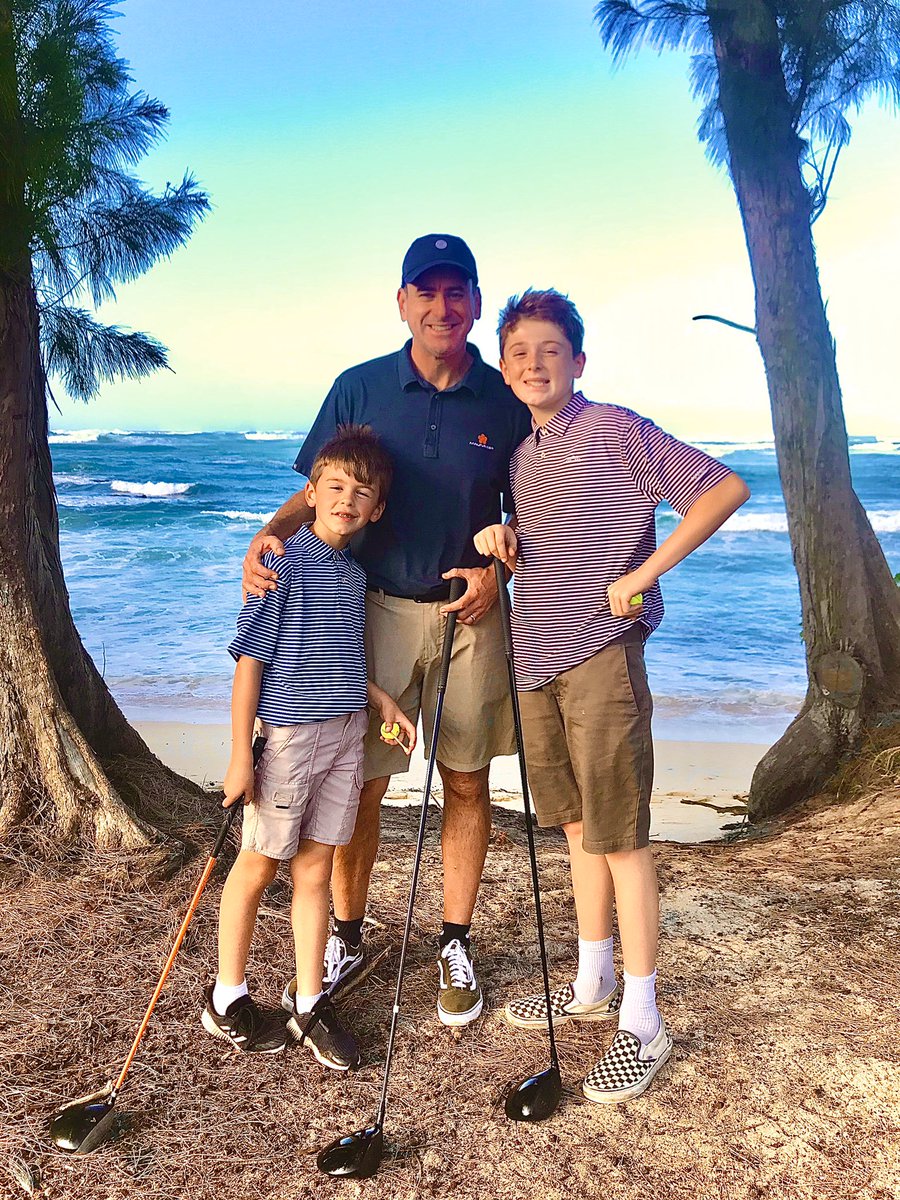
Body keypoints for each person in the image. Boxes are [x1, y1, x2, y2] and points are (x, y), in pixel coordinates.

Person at [242, 236, 532, 1026]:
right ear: (402, 302)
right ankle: (346, 935)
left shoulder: (504, 401)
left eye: (456, 291)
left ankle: (455, 943)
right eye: (425, 292)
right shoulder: (359, 387)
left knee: (466, 779)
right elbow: (319, 490)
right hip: (371, 612)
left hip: (471, 614)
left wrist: (498, 573)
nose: (442, 307)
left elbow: (530, 513)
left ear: (475, 302)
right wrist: (267, 536)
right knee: (362, 782)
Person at [475, 289, 750, 1102]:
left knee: (621, 837)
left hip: (602, 655)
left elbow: (721, 488)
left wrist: (643, 575)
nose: (535, 364)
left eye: (551, 350)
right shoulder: (520, 458)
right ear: (504, 369)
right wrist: (501, 538)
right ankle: (592, 981)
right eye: (520, 353)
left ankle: (643, 1018)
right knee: (575, 827)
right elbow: (544, 543)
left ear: (579, 361)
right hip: (534, 659)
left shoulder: (616, 428)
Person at [203, 426, 416, 1065]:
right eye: (336, 487)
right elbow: (248, 664)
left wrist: (381, 702)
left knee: (317, 867)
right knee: (259, 862)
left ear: (377, 509)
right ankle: (227, 997)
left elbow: (342, 659)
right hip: (289, 740)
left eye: (361, 492)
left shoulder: (353, 575)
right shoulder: (280, 565)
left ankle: (308, 999)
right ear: (312, 493)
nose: (347, 499)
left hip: (347, 735)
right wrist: (240, 755)